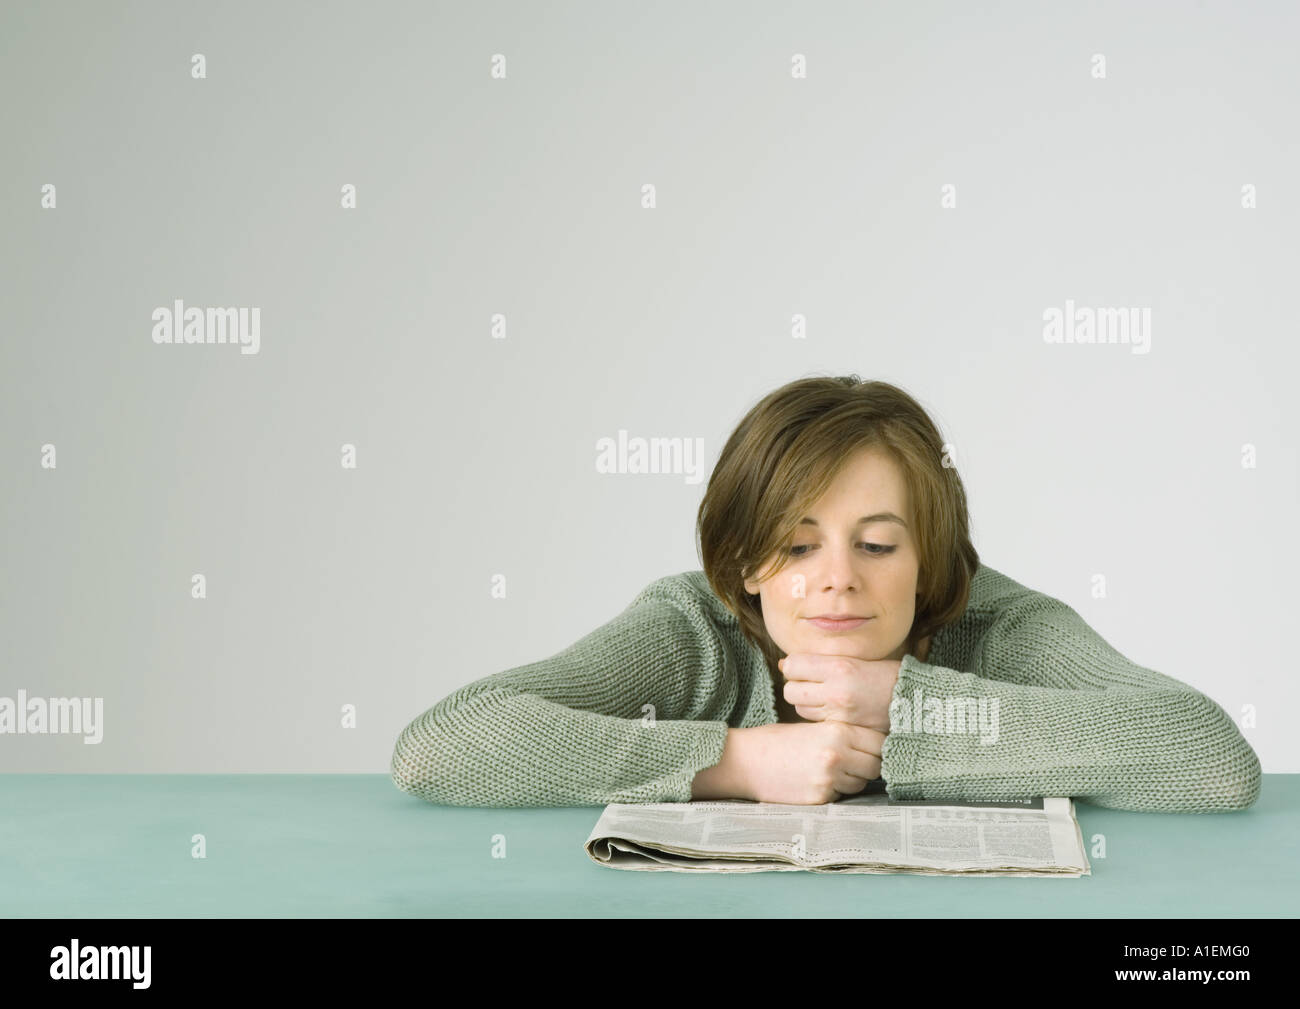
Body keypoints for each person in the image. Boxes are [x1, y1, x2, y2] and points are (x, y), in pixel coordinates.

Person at [389, 376, 1261, 812]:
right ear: (743, 563)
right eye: (799, 545)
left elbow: (1208, 754)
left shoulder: (1000, 624)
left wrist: (911, 707)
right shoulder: (692, 628)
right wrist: (735, 761)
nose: (838, 575)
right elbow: (443, 740)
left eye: (878, 543)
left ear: (931, 558)